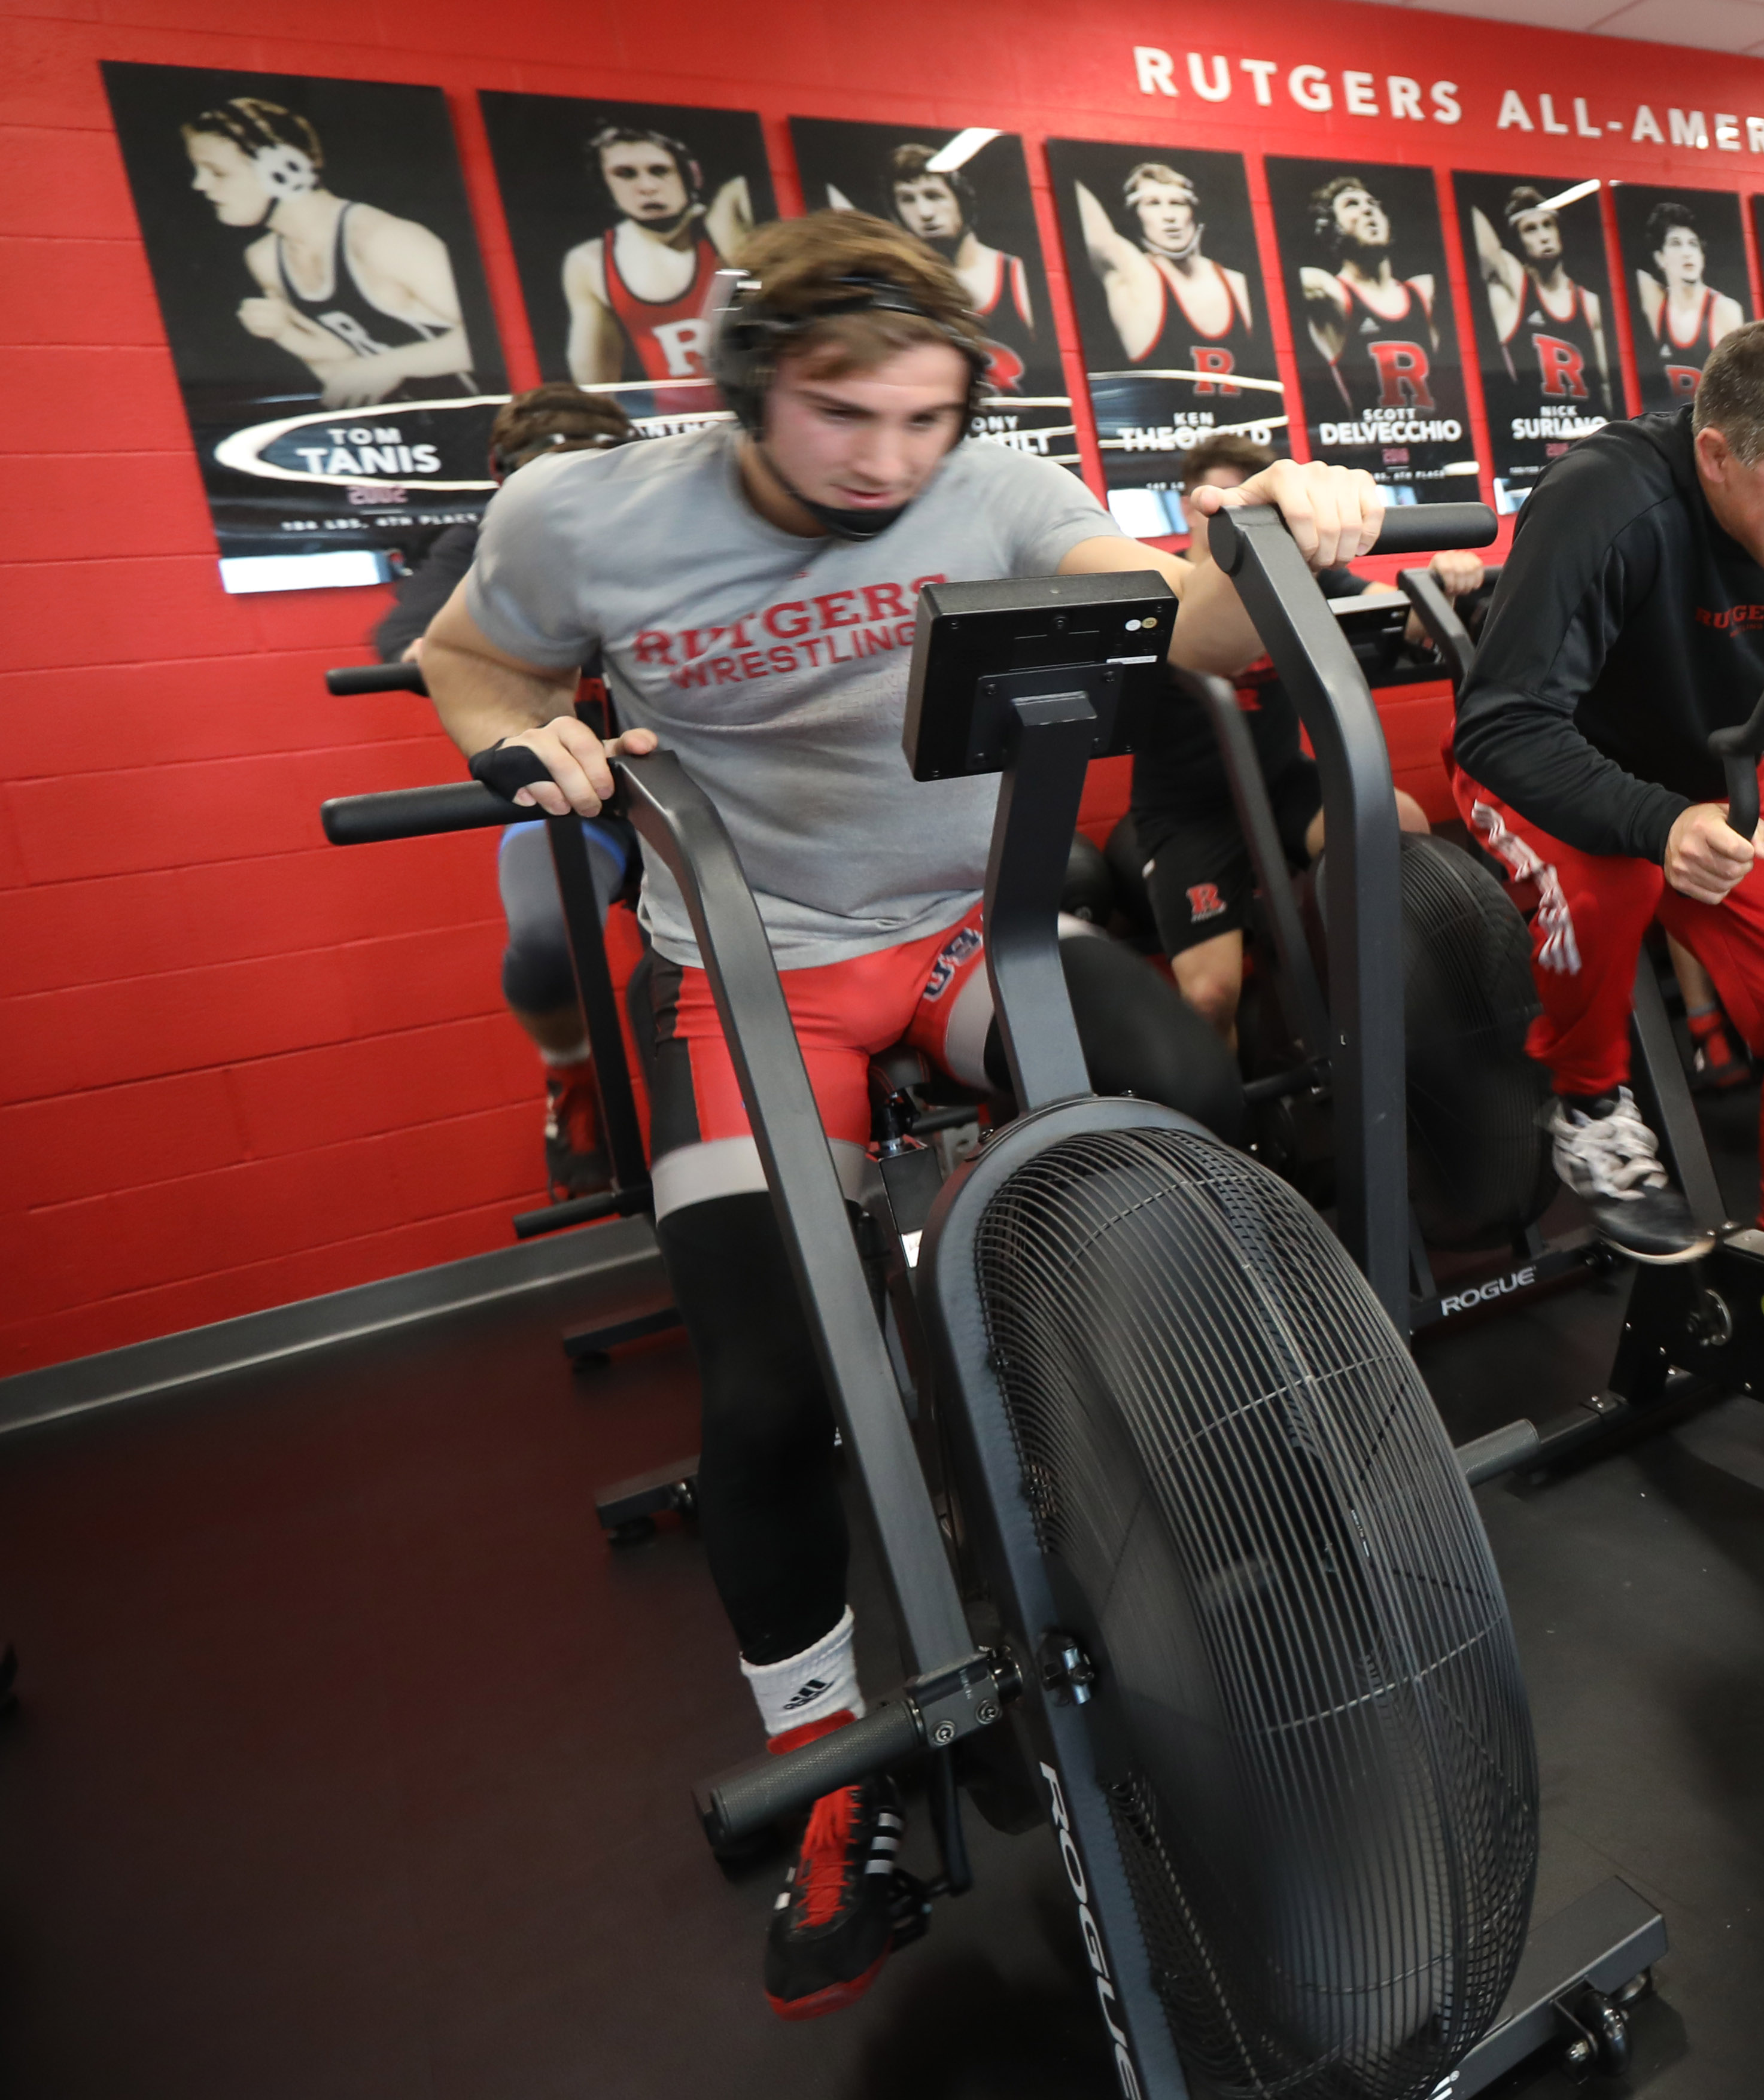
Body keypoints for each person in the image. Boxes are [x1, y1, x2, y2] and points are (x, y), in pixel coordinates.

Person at [410, 209, 1385, 2021]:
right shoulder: (586, 518)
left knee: (1185, 1111)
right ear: (751, 384)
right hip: (748, 980)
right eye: (843, 412)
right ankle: (836, 1767)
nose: (886, 459)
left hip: (968, 933)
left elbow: (1179, 614)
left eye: (926, 419)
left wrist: (1275, 532)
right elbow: (467, 655)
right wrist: (513, 738)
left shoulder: (998, 491)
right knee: (774, 1389)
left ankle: (1219, 1520)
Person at [1450, 317, 1764, 1259]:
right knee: (1615, 880)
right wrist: (1656, 824)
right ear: (1714, 455)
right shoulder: (1604, 498)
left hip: (1704, 787)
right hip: (1543, 770)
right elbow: (1501, 723)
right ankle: (1588, 1109)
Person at [367, 382, 641, 1200]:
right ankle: (572, 1076)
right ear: (504, 480)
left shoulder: (675, 539)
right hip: (574, 796)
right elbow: (410, 640)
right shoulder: (480, 544)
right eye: (542, 477)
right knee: (550, 944)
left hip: (701, 785)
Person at [1119, 433, 1471, 1046]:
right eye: (1213, 503)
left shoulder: (1294, 573)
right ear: (1187, 507)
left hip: (1281, 780)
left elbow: (1400, 618)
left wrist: (1441, 585)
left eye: (1242, 503)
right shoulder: (1155, 588)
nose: (1224, 517)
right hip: (1188, 813)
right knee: (1209, 997)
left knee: (1404, 825)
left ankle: (1392, 1029)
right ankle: (1225, 1132)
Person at [180, 96, 474, 407]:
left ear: (281, 169)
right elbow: (339, 362)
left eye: (217, 172)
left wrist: (389, 365)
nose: (199, 184)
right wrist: (283, 333)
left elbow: (490, 339)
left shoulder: (384, 240)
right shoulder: (265, 258)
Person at [559, 121, 754, 388]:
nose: (647, 187)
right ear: (605, 185)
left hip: (748, 420)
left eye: (660, 171)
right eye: (626, 174)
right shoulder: (590, 263)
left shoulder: (728, 223)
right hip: (671, 427)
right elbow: (596, 388)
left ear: (691, 175)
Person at [1070, 159, 1266, 378]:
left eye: (1177, 203)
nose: (1169, 216)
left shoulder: (1238, 284)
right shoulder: (1135, 277)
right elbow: (1098, 237)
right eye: (1153, 204)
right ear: (1136, 216)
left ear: (1193, 212)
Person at [884, 144, 1041, 395]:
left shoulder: (1018, 273)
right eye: (908, 200)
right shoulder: (899, 287)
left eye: (934, 196)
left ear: (961, 199)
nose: (924, 213)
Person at [1295, 173, 1441, 419]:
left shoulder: (1424, 292)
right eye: (1352, 204)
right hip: (1368, 449)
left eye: (1373, 205)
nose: (1367, 210)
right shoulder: (1329, 291)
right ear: (1331, 226)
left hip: (1433, 446)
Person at [1473, 185, 1611, 417]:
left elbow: (1605, 386)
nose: (1544, 236)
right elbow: (1483, 237)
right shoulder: (1514, 292)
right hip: (1532, 431)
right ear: (1518, 241)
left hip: (1586, 433)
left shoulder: (1589, 303)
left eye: (1548, 225)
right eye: (1531, 229)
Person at [1634, 200, 1745, 403]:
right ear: (1660, 258)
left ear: (1702, 256)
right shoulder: (1656, 302)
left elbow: (1743, 392)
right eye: (1676, 243)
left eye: (1693, 244)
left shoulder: (1725, 310)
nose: (1687, 252)